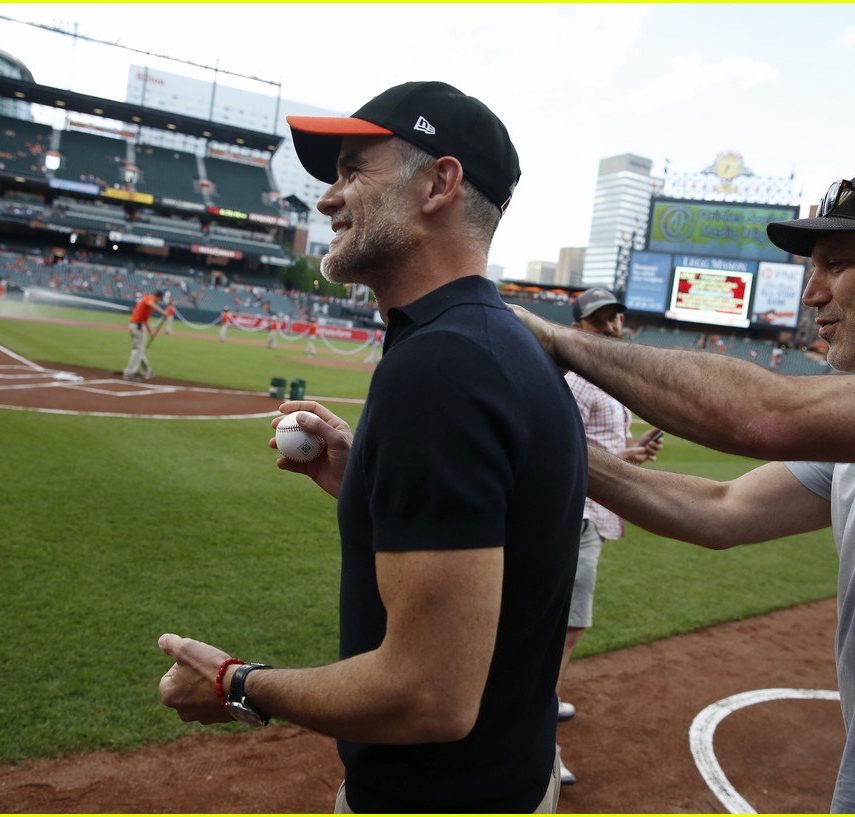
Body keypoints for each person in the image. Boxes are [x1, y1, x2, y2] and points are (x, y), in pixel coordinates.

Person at [511, 166, 855, 813]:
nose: (811, 294)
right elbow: (720, 509)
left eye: (837, 264)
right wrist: (541, 439)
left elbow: (766, 416)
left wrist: (556, 340)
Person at [157, 80, 587, 813]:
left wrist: (235, 683)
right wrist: (368, 481)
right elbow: (499, 538)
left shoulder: (441, 366)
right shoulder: (496, 343)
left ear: (439, 184)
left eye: (354, 171)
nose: (327, 199)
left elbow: (429, 695)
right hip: (505, 780)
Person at [554, 287, 664, 786]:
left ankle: (542, 705)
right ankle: (535, 738)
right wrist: (626, 460)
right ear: (580, 325)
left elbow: (598, 446)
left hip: (587, 513)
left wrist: (629, 451)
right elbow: (564, 449)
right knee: (562, 632)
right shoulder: (579, 378)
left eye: (616, 313)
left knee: (560, 628)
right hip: (573, 515)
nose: (613, 321)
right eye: (600, 317)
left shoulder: (602, 376)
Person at [122, 289, 166, 381]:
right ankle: (129, 373)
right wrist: (162, 312)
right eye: (160, 299)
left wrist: (151, 333)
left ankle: (147, 371)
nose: (159, 301)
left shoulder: (149, 305)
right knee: (138, 350)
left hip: (139, 326)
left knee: (141, 350)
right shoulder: (150, 298)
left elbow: (146, 320)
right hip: (137, 326)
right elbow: (151, 303)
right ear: (158, 297)